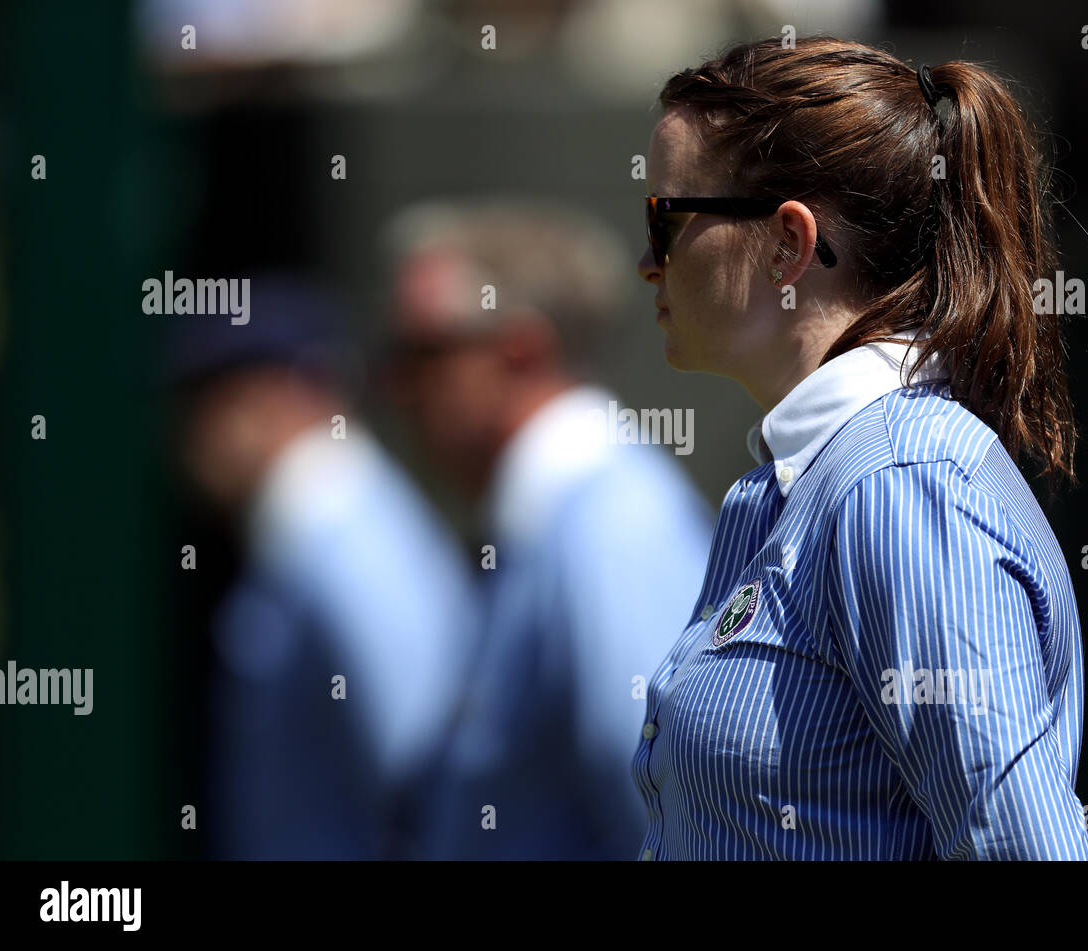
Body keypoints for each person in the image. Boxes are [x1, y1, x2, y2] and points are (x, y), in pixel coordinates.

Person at [632, 36, 1088, 860]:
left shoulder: (901, 485)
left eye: (664, 220)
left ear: (787, 244)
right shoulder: (798, 483)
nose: (645, 264)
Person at [381, 199, 712, 859]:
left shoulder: (614, 526)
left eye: (422, 354)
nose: (395, 388)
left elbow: (664, 810)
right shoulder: (556, 519)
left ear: (521, 351)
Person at [169, 276, 477, 859]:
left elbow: (427, 771)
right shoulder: (314, 528)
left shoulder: (346, 534)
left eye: (206, 399)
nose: (186, 434)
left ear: (279, 393)